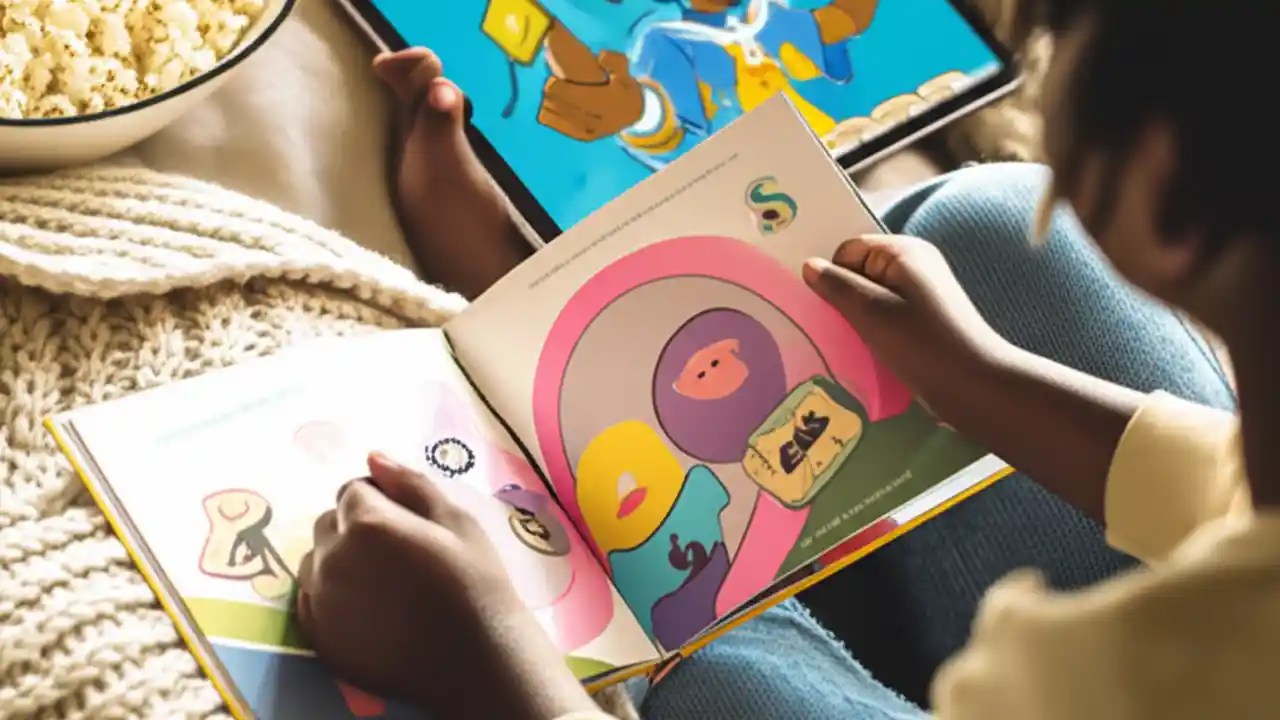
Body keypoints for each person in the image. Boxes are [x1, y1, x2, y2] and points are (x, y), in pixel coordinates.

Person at [294, 1, 1279, 717]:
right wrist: (973, 377)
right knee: (986, 227)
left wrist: (491, 658)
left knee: (716, 667)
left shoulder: (1102, 674)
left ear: (1156, 179)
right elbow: (1233, 494)